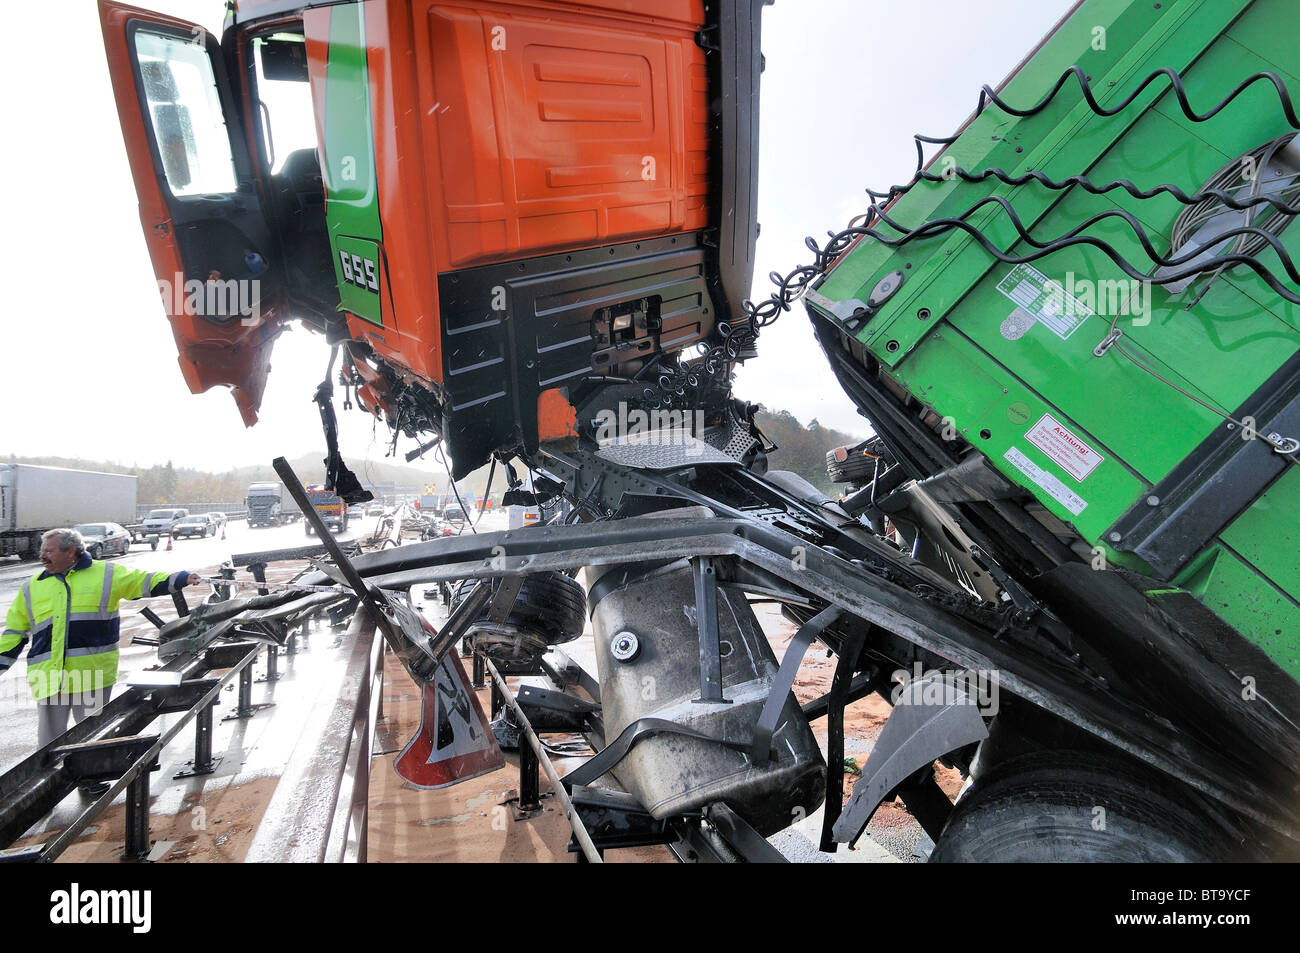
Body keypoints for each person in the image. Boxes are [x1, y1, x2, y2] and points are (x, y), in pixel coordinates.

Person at [1, 528, 202, 757]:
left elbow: (142, 582)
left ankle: (91, 782)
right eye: (42, 550)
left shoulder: (106, 574)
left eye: (49, 550)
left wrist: (179, 578)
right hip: (48, 676)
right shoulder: (32, 585)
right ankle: (50, 788)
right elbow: (15, 631)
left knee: (92, 736)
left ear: (72, 552)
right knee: (49, 744)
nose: (42, 555)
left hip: (90, 674)